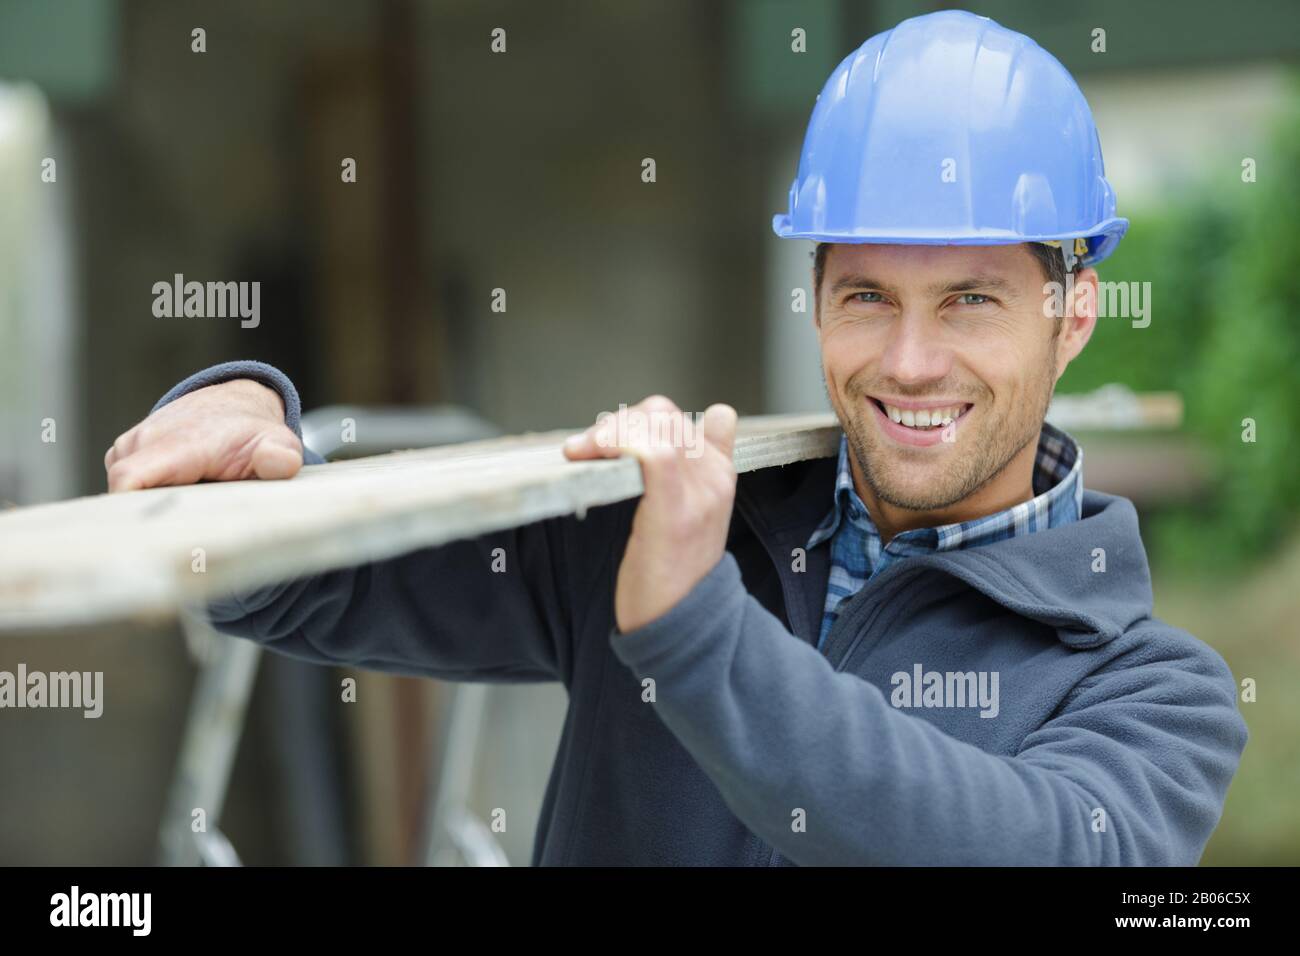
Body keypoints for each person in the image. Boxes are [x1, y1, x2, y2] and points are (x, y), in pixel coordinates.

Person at [105, 10, 1246, 865]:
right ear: (815, 302)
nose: (907, 361)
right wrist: (241, 433)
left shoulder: (1152, 695)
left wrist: (693, 630)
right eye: (865, 298)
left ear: (1073, 315)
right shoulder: (671, 530)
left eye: (970, 299)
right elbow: (275, 587)